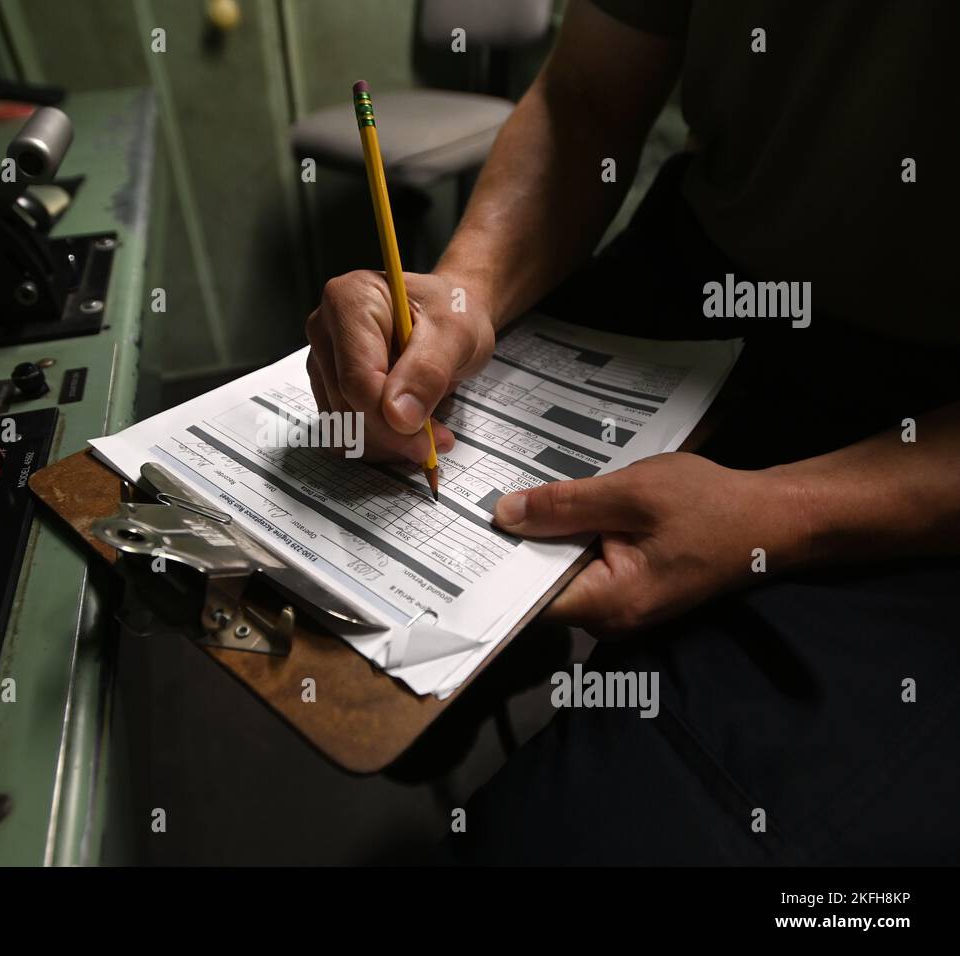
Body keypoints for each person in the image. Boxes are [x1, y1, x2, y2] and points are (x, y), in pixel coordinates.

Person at [304, 0, 959, 863]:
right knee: (343, 589)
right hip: (698, 268)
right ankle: (493, 654)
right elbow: (584, 98)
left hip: (926, 409)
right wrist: (463, 292)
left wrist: (782, 518)